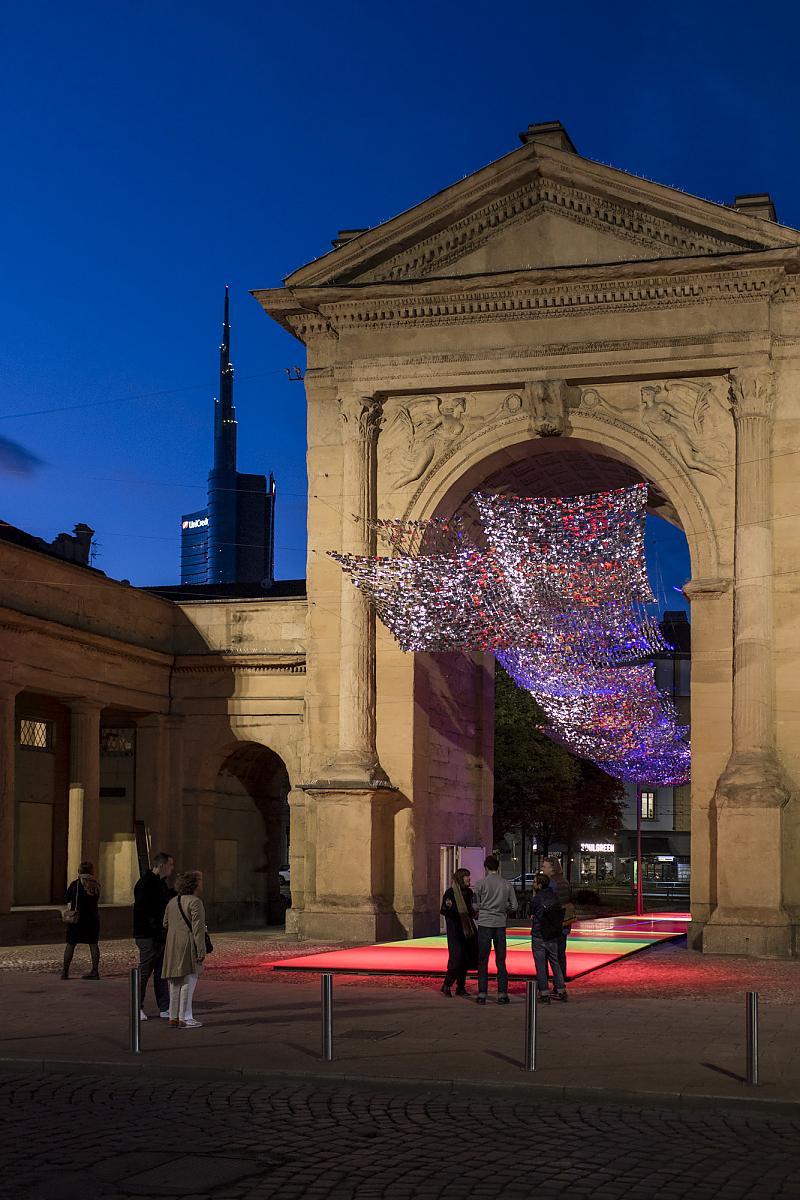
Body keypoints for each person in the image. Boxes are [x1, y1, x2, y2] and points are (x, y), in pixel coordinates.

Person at [133, 851, 175, 1020]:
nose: (172, 868)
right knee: (145, 971)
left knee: (161, 972)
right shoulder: (146, 883)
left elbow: (164, 901)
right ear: (162, 865)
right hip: (148, 934)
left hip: (159, 934)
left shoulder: (160, 883)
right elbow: (146, 910)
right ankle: (137, 1006)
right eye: (171, 865)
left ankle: (164, 1007)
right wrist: (157, 929)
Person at [162, 870, 207, 1028]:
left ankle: (173, 1015)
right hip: (188, 943)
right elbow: (198, 929)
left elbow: (165, 923)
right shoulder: (195, 902)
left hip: (172, 944)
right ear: (194, 884)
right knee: (189, 979)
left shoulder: (172, 901)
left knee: (174, 981)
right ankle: (185, 1017)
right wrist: (201, 950)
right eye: (200, 881)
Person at [471, 854, 518, 1005]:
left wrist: (481, 909)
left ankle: (482, 994)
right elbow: (514, 906)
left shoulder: (480, 884)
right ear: (498, 867)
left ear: (486, 867)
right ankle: (502, 994)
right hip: (500, 923)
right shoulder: (506, 884)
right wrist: (504, 909)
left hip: (485, 923)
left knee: (483, 960)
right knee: (501, 960)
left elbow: (475, 904)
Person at [439, 867, 478, 997]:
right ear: (461, 878)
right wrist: (448, 906)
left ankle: (460, 987)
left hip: (467, 930)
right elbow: (444, 910)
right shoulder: (450, 893)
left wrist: (475, 913)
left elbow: (470, 910)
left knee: (465, 958)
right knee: (456, 958)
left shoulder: (469, 893)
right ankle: (447, 984)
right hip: (455, 930)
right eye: (467, 876)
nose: (469, 878)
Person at [530, 872, 567, 1003]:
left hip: (539, 934)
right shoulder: (554, 897)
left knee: (540, 964)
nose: (532, 884)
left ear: (539, 885)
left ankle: (544, 992)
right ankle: (561, 990)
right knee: (555, 963)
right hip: (552, 935)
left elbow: (532, 912)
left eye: (534, 882)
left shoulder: (536, 899)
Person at [61, 861, 101, 980]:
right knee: (93, 944)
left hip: (77, 919)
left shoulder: (75, 884)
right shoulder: (95, 885)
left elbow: (66, 898)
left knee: (71, 944)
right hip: (92, 919)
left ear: (79, 871)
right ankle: (94, 971)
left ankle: (65, 971)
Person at [542, 855, 573, 986]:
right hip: (565, 922)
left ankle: (545, 985)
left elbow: (547, 904)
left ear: (552, 868)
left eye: (544, 866)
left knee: (547, 955)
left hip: (553, 924)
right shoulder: (565, 882)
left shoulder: (550, 883)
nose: (542, 868)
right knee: (561, 954)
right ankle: (560, 983)